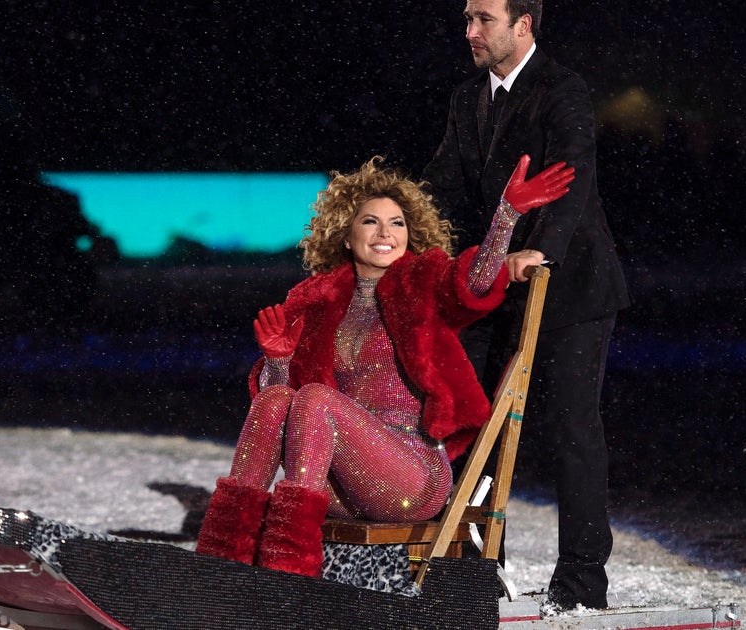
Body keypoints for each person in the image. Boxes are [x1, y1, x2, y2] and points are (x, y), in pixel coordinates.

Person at [194, 155, 574, 578]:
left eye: (397, 223)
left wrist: (507, 215)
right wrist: (280, 362)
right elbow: (283, 414)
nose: (385, 233)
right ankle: (220, 559)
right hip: (338, 481)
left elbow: (473, 283)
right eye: (370, 222)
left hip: (412, 474)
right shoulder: (315, 299)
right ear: (346, 234)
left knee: (318, 399)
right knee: (277, 398)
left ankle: (289, 568)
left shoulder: (421, 282)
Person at [421, 0, 631, 611]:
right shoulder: (468, 97)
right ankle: (483, 570)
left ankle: (583, 583)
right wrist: (397, 223)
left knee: (571, 429)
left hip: (570, 286)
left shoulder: (561, 90)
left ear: (523, 24)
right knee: (477, 426)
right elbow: (442, 185)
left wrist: (538, 252)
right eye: (466, 19)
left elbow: (573, 178)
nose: (469, 31)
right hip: (495, 286)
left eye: (483, 19)